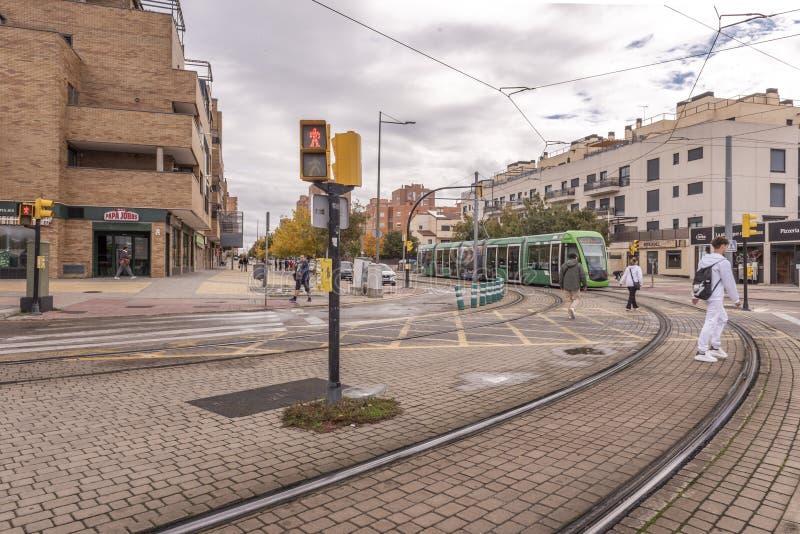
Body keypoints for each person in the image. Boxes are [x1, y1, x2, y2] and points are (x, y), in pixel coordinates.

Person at [693, 236, 741, 363]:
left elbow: (697, 278)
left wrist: (695, 295)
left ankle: (715, 346)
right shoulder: (723, 262)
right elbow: (729, 282)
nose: (726, 248)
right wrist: (736, 299)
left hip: (706, 294)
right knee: (711, 321)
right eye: (726, 246)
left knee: (723, 318)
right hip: (715, 297)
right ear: (723, 246)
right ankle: (701, 351)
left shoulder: (704, 259)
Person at [559, 252, 587, 319]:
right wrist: (584, 285)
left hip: (566, 286)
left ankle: (570, 315)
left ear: (568, 258)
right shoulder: (579, 265)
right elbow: (582, 275)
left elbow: (561, 276)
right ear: (576, 258)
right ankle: (572, 308)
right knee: (577, 299)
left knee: (568, 300)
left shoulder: (563, 265)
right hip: (575, 286)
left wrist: (561, 285)